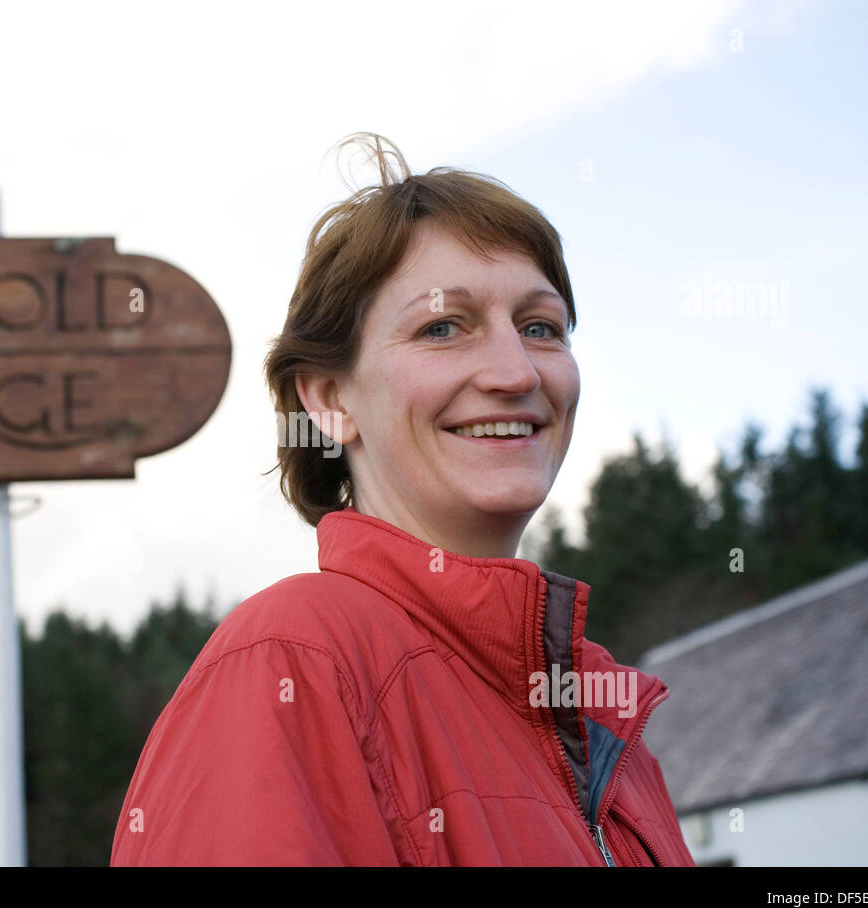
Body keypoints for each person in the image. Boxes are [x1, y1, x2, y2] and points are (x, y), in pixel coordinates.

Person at [110, 133, 695, 866]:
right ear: (329, 398)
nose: (515, 371)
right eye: (443, 327)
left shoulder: (609, 726)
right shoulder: (294, 660)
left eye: (540, 327)